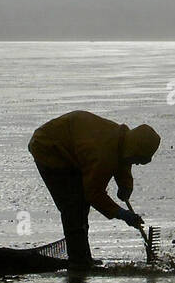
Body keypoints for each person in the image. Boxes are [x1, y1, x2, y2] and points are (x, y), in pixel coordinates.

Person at [28, 109, 160, 266]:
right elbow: (93, 193)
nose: (137, 163)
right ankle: (79, 261)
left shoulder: (121, 140)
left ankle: (82, 256)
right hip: (49, 148)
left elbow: (123, 161)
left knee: (80, 205)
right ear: (135, 150)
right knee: (74, 206)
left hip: (72, 147)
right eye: (138, 159)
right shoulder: (103, 154)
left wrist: (125, 186)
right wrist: (121, 213)